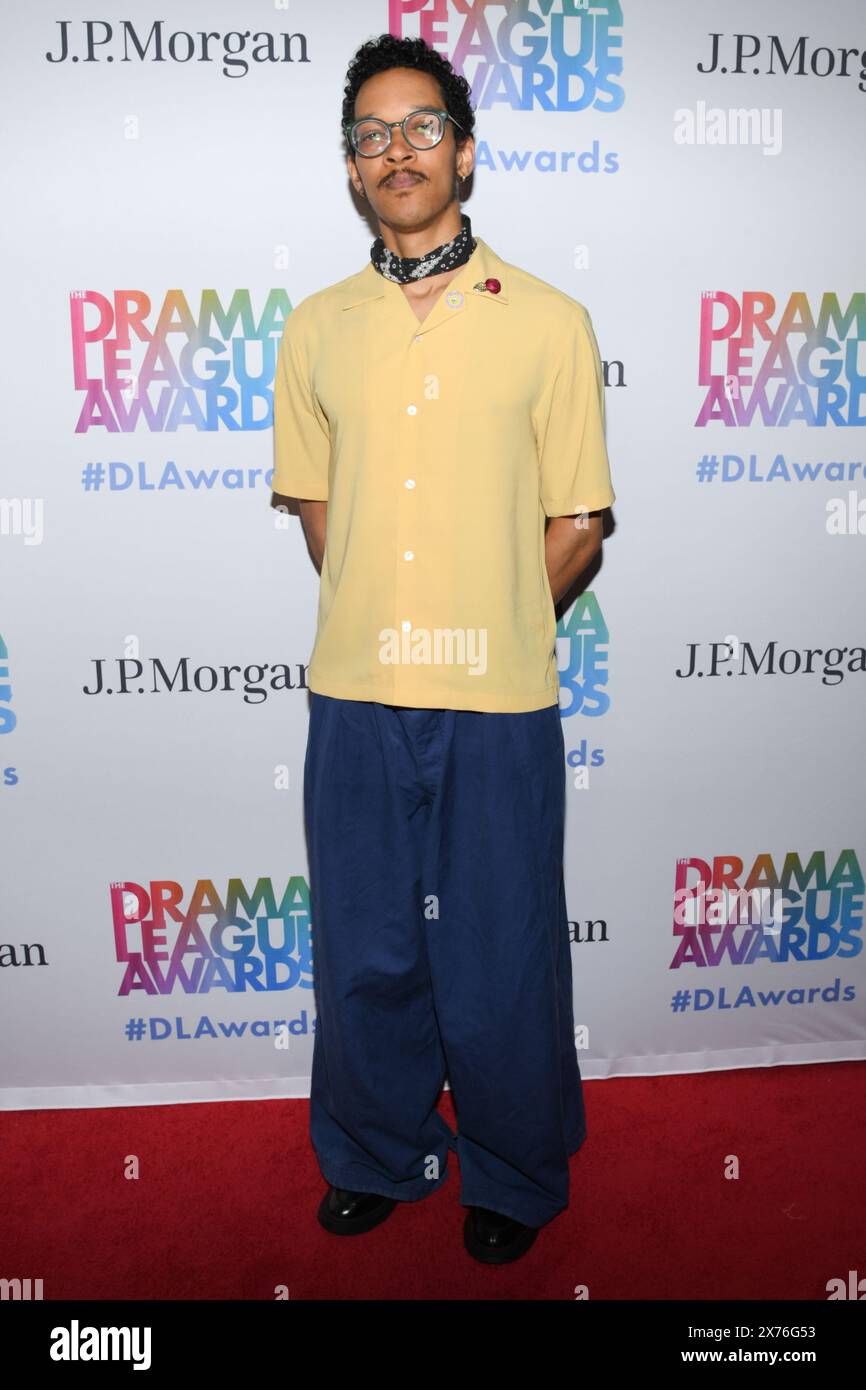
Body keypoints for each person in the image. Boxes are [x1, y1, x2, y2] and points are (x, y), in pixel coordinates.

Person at [272, 33, 616, 1266]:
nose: (395, 151)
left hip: (497, 699)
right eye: (370, 136)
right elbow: (319, 509)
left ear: (464, 151)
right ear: (352, 171)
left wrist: (490, 624)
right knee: (363, 941)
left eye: (419, 127)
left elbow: (579, 520)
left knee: (500, 951)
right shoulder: (316, 329)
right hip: (353, 692)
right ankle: (382, 1152)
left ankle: (515, 1175)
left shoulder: (548, 320)